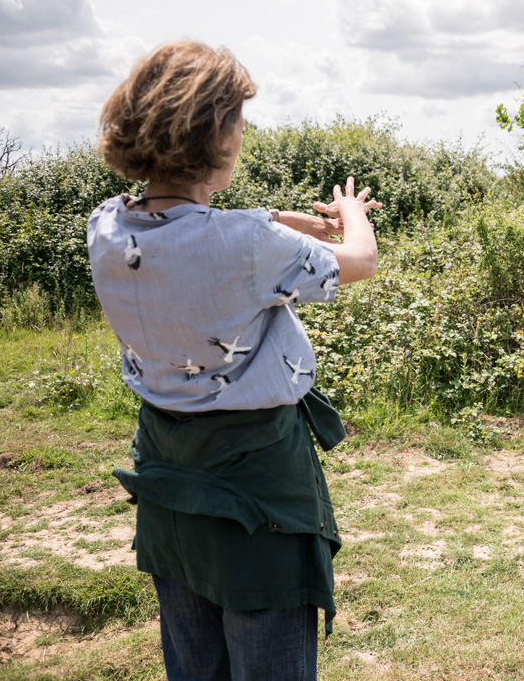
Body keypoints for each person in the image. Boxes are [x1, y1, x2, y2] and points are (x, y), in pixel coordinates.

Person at [86, 40, 378, 680]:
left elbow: (191, 222)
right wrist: (352, 215)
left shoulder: (106, 225)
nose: (243, 133)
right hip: (257, 481)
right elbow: (360, 262)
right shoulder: (248, 244)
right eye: (237, 121)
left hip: (167, 472)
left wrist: (283, 221)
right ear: (211, 136)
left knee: (193, 662)